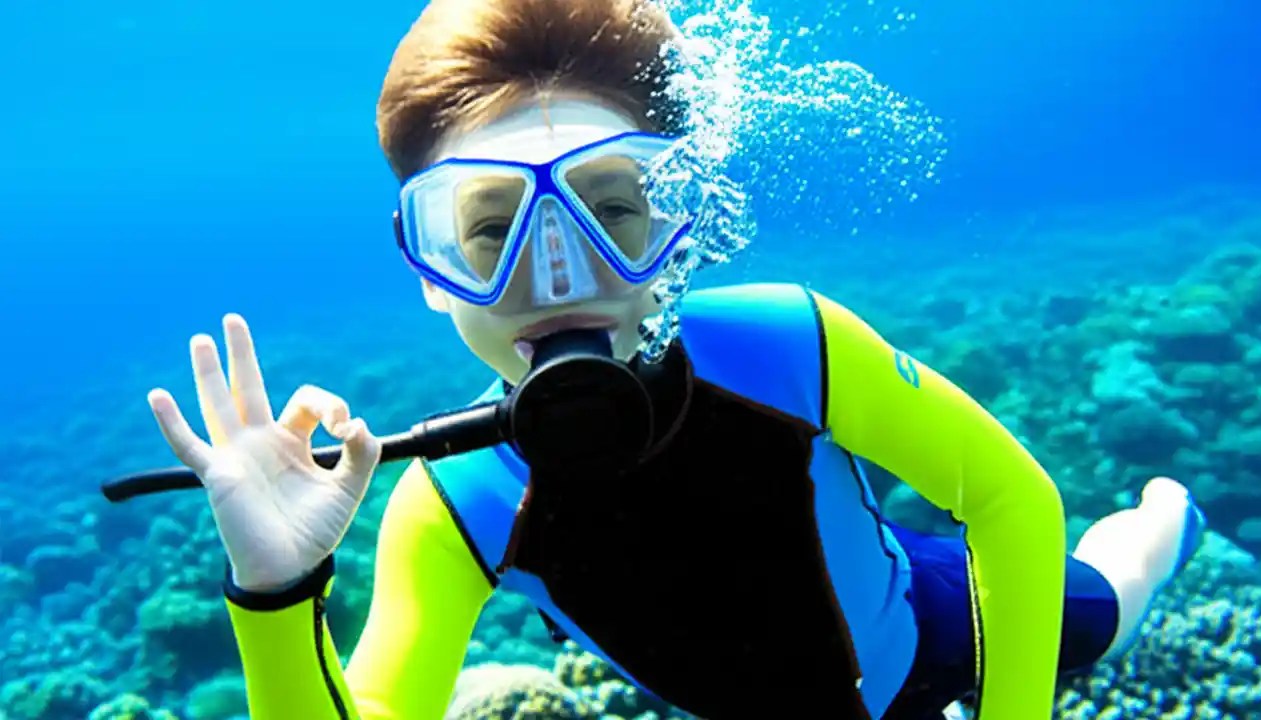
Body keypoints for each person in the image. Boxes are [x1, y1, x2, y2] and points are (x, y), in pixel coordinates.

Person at [144, 0, 1206, 718]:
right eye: (488, 232)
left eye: (611, 208)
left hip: (936, 626)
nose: (556, 278)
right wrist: (278, 593)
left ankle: (1161, 516)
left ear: (679, 223)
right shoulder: (451, 503)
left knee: (1102, 608)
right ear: (428, 270)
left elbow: (1011, 502)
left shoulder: (791, 345)